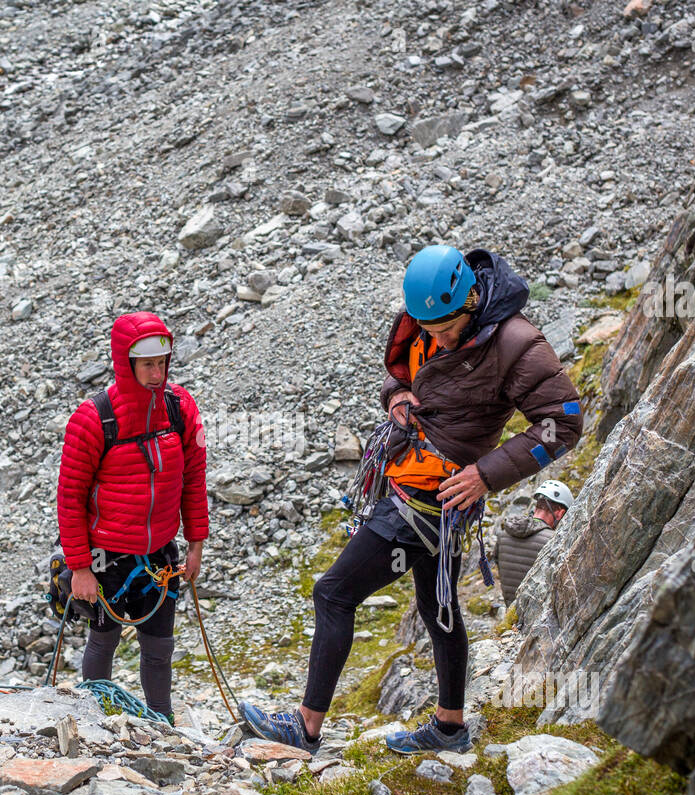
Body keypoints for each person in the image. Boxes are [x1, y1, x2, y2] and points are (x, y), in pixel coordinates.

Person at [240, 245, 583, 754]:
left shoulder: (515, 342)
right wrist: (395, 397)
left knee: (333, 593)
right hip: (417, 484)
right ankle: (449, 729)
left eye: (447, 328)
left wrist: (487, 475)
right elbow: (402, 374)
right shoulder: (425, 315)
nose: (438, 338)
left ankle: (305, 729)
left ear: (472, 297)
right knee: (437, 604)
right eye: (429, 328)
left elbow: (564, 421)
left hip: (432, 495)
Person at [56, 312, 208, 722]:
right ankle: (93, 720)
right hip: (107, 556)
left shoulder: (180, 409)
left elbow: (193, 479)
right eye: (147, 365)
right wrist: (80, 569)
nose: (157, 373)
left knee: (160, 647)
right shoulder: (93, 419)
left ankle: (162, 722)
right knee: (103, 640)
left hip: (161, 554)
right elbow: (69, 499)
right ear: (127, 364)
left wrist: (195, 544)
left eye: (163, 363)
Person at [494, 479, 575, 605]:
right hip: (536, 615)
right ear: (559, 514)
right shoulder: (553, 540)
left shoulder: (504, 535)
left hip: (510, 611)